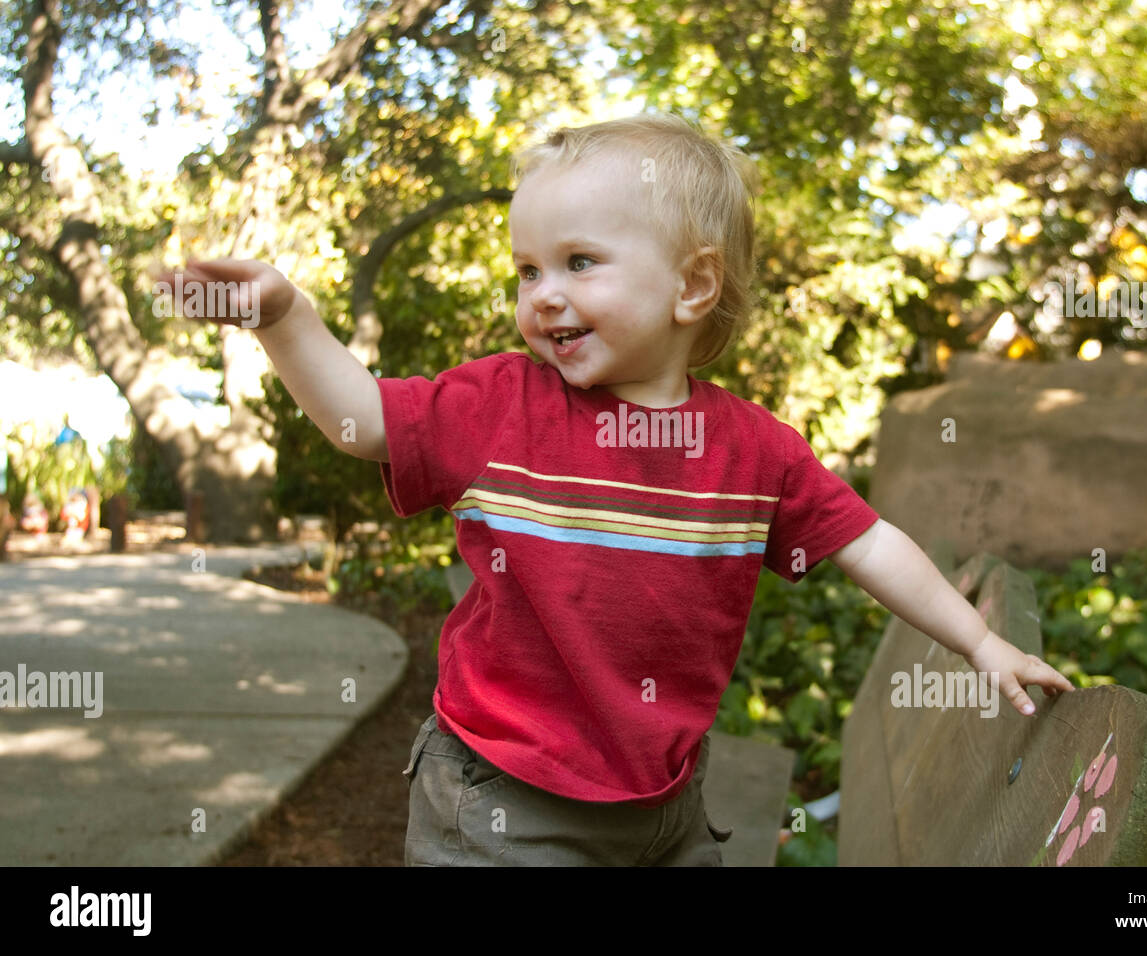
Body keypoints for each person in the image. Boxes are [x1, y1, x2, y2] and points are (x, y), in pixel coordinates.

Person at [152, 112, 1073, 866]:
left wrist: (979, 644)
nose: (543, 294)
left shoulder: (754, 453)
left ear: (692, 285)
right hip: (502, 802)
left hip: (665, 810)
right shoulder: (498, 405)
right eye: (527, 271)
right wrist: (283, 317)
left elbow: (870, 544)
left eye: (578, 263)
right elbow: (362, 422)